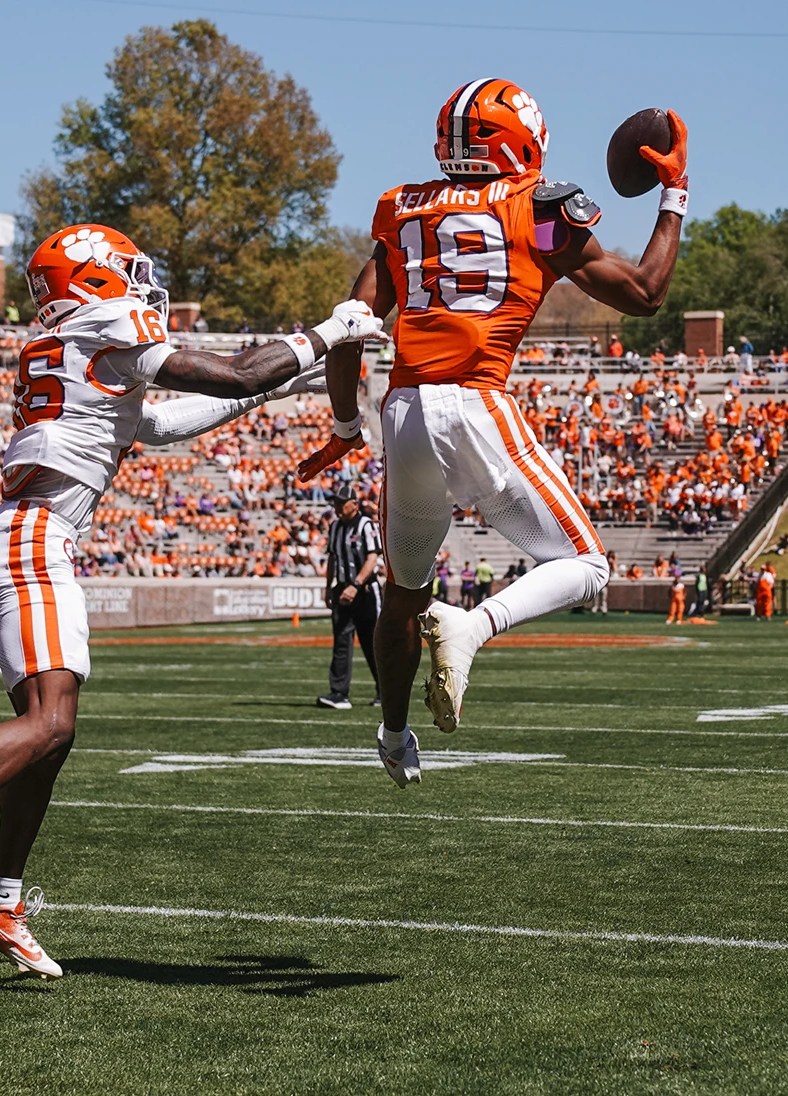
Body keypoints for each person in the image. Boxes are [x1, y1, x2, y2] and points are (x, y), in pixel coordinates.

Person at [0, 223, 384, 976]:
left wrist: (278, 384)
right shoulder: (106, 322)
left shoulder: (69, 341)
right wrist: (329, 333)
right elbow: (232, 374)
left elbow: (156, 423)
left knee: (52, 734)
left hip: (27, 536)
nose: (140, 283)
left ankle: (0, 901)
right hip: (34, 537)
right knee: (47, 724)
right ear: (94, 278)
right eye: (127, 271)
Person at [294, 80, 687, 785]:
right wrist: (674, 195)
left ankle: (393, 736)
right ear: (522, 142)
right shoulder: (539, 209)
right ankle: (472, 625)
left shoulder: (403, 208)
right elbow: (644, 293)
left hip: (403, 413)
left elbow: (350, 327)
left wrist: (347, 425)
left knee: (403, 592)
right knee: (586, 564)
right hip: (475, 402)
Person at [318, 491, 382, 710]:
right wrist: (329, 587)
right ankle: (339, 693)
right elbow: (332, 557)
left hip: (365, 591)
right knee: (341, 641)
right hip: (342, 589)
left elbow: (372, 558)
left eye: (341, 502)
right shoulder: (335, 527)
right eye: (335, 503)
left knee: (373, 642)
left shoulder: (366, 525)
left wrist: (356, 585)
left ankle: (386, 692)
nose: (337, 506)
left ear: (354, 504)